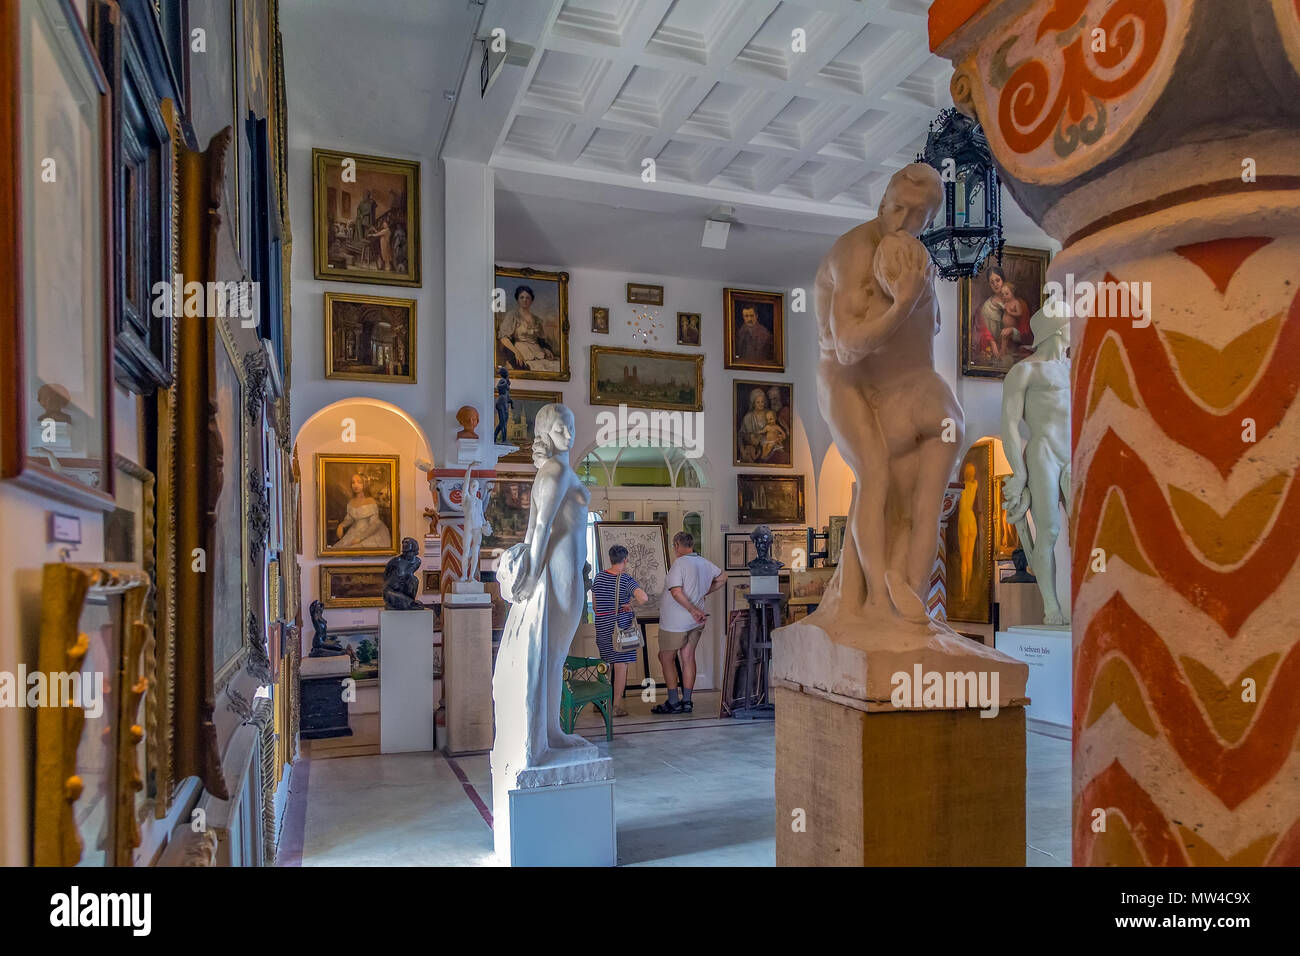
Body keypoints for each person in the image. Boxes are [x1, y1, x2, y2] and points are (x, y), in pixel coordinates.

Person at [810, 162, 959, 625]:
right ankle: (877, 597)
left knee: (923, 482)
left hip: (901, 385)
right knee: (875, 473)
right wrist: (904, 302)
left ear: (929, 222)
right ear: (881, 202)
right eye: (897, 208)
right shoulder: (853, 253)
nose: (902, 221)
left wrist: (915, 296)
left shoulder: (917, 256)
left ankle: (907, 593)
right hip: (846, 379)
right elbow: (848, 348)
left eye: (917, 216)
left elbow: (932, 329)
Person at [653, 532, 725, 715]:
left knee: (665, 657)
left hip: (675, 622)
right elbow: (723, 577)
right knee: (688, 657)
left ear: (677, 545)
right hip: (696, 621)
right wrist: (702, 593)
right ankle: (686, 701)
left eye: (674, 546)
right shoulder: (704, 562)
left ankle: (673, 702)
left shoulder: (679, 564)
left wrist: (692, 609)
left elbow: (676, 592)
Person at [591, 544, 648, 717]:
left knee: (605, 665)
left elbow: (595, 607)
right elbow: (643, 598)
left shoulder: (599, 577)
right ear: (625, 559)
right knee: (621, 666)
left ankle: (600, 703)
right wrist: (630, 604)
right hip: (620, 631)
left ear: (610, 559)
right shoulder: (625, 580)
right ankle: (615, 706)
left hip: (602, 627)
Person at [498, 285, 558, 372]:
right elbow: (503, 338)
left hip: (538, 351)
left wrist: (546, 349)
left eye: (527, 298)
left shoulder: (537, 319)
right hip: (522, 351)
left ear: (531, 300)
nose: (524, 300)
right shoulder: (512, 315)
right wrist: (516, 353)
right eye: (522, 297)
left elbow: (540, 339)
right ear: (517, 300)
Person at [331, 473, 391, 550]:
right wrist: (341, 525)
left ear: (365, 484)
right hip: (354, 531)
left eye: (359, 482)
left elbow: (375, 524)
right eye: (353, 482)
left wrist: (360, 538)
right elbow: (349, 519)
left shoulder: (370, 501)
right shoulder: (351, 502)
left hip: (370, 532)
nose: (355, 485)